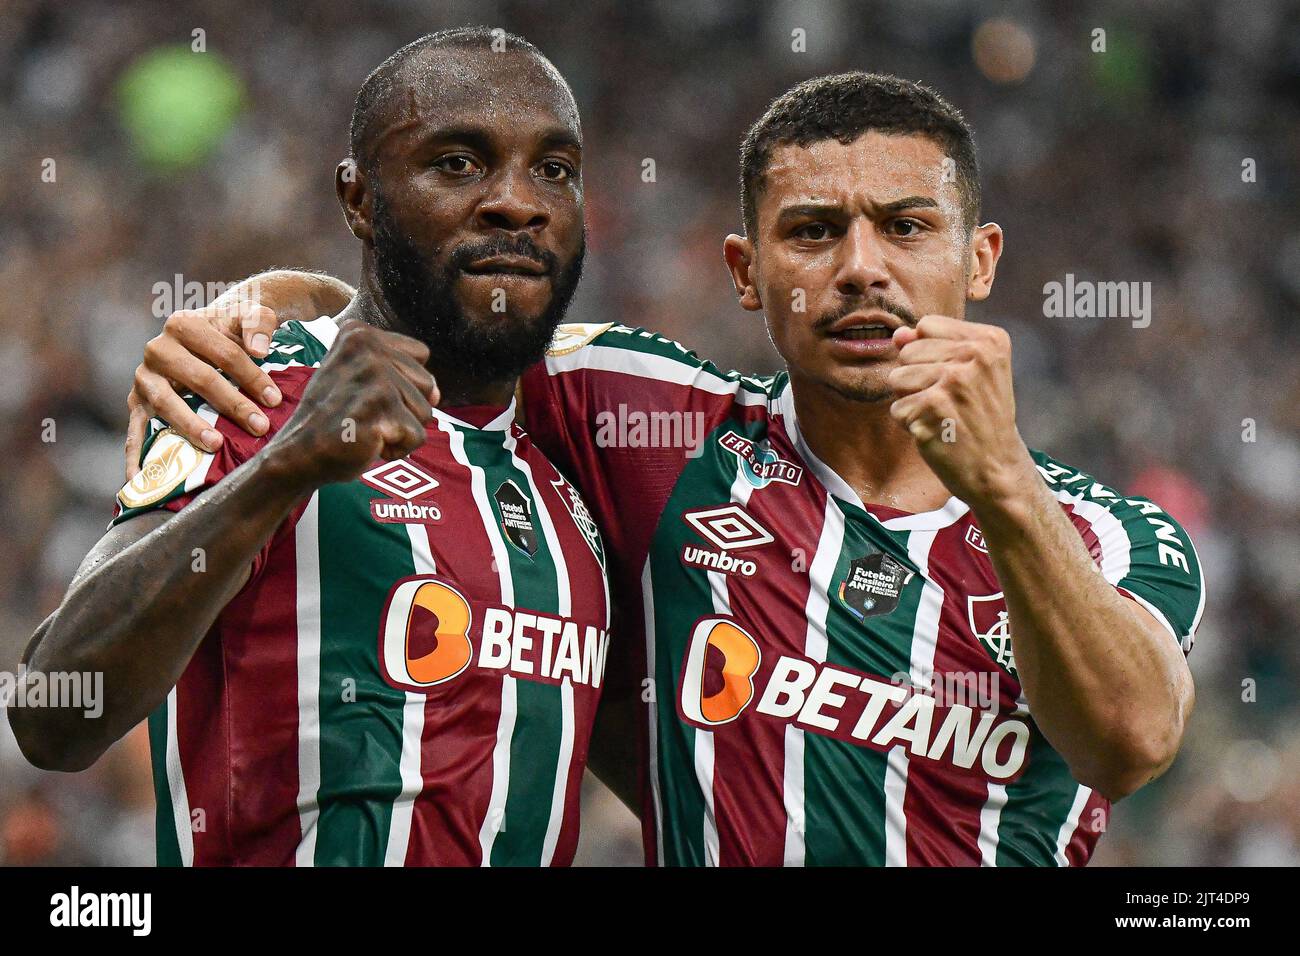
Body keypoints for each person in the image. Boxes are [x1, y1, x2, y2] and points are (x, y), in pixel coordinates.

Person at [127, 71, 1203, 866]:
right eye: (813, 232)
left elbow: (1132, 736)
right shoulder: (656, 421)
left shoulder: (1109, 534)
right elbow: (437, 308)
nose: (861, 268)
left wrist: (1005, 485)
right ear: (746, 270)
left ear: (978, 258)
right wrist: (267, 305)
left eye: (906, 227)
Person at [12, 28, 614, 867]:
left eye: (554, 168)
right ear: (359, 200)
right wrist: (285, 465)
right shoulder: (252, 391)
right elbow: (50, 709)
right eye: (457, 164)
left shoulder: (581, 465)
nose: (518, 201)